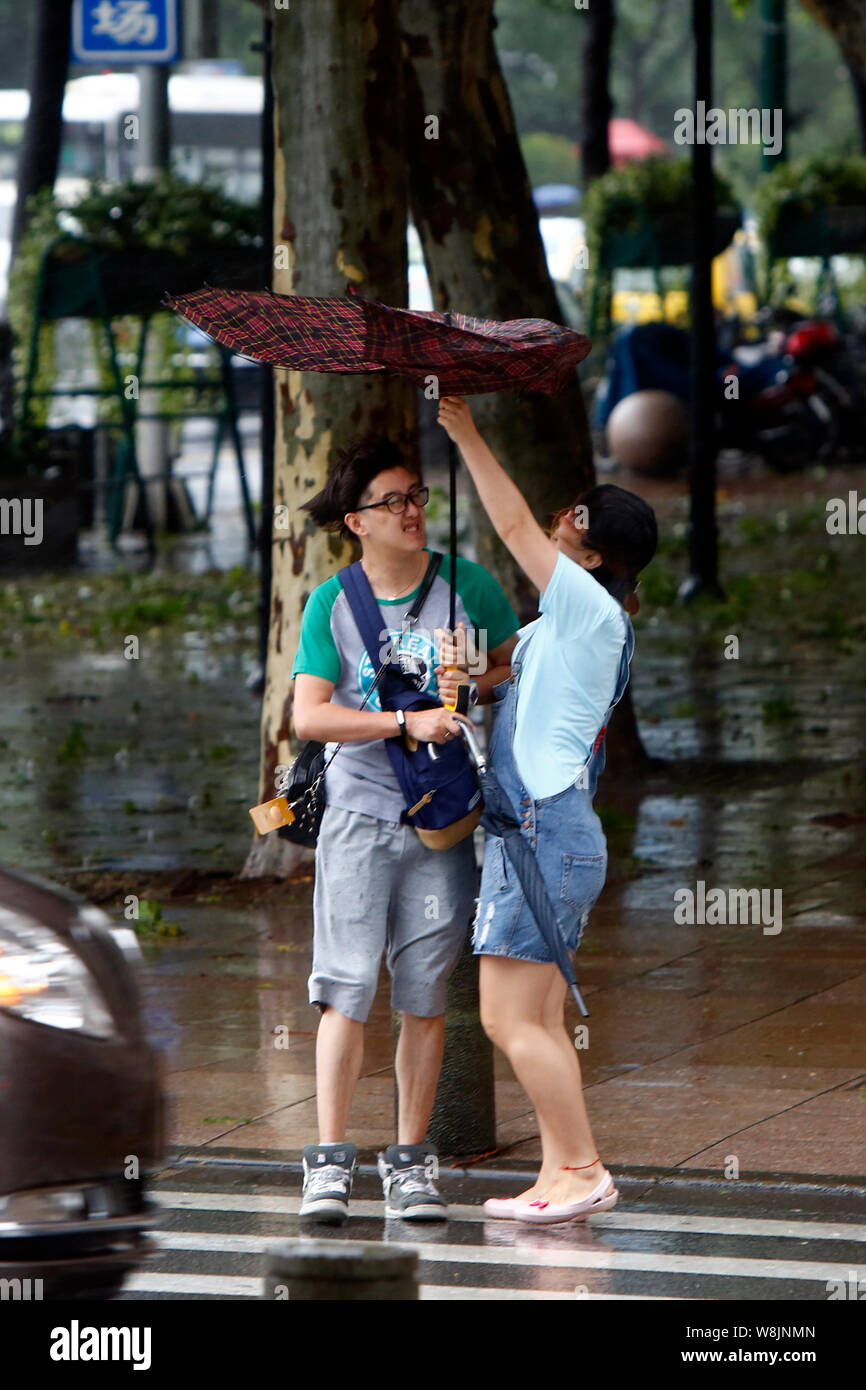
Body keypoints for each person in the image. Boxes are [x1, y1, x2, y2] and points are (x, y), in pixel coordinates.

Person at [437, 396, 658, 1226]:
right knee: (534, 1017)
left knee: (507, 1015)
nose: (560, 522)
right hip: (545, 832)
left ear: (594, 554)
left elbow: (512, 524)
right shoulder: (563, 623)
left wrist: (464, 433)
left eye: (575, 521)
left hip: (542, 833)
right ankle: (562, 1167)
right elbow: (511, 688)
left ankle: (583, 1168)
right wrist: (470, 682)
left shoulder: (590, 608)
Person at [290, 435, 520, 1223]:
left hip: (442, 824)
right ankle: (328, 1164)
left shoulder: (468, 585)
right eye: (393, 502)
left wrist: (473, 682)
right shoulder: (334, 602)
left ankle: (410, 1164)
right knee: (346, 989)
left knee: (423, 996)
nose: (413, 511)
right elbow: (310, 713)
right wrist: (402, 720)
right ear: (357, 521)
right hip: (357, 818)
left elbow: (515, 662)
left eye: (418, 495)